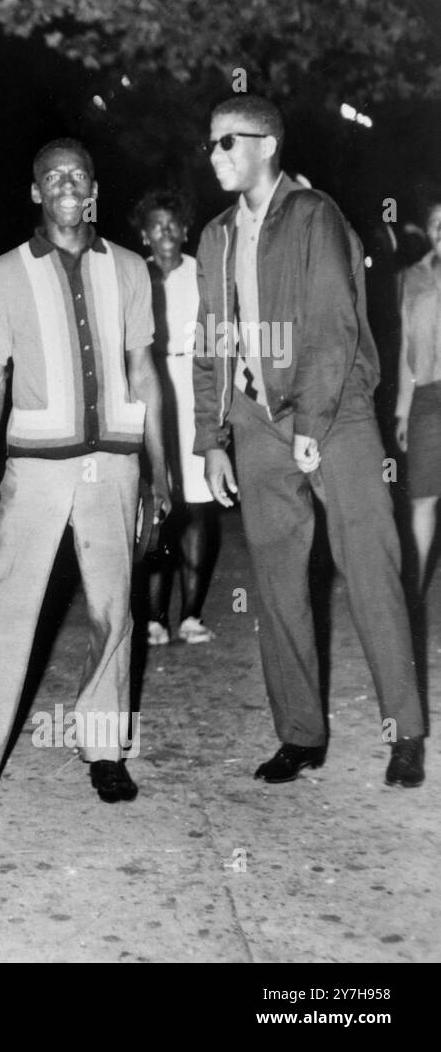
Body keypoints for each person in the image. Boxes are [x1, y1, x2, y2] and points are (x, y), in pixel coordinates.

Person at [193, 95, 425, 788]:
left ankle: (405, 731)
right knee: (276, 580)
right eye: (210, 143)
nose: (214, 154)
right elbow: (208, 340)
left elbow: (333, 325)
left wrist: (313, 425)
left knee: (372, 567)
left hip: (337, 411)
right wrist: (212, 434)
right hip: (258, 420)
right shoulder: (216, 236)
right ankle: (300, 734)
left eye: (226, 142)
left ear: (266, 145)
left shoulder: (316, 215)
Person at [0, 138, 169, 816]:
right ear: (37, 192)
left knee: (112, 610)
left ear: (93, 189)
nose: (68, 185)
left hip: (115, 464)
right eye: (54, 177)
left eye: (79, 176)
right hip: (36, 468)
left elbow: (143, 372)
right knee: (6, 612)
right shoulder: (6, 273)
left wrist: (158, 473)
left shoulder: (130, 269)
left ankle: (104, 752)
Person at [132, 190, 221, 645]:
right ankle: (151, 617)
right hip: (148, 388)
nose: (165, 233)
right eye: (156, 226)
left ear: (185, 231)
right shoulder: (133, 276)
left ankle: (190, 615)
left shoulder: (202, 273)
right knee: (155, 506)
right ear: (145, 234)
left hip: (194, 385)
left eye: (173, 225)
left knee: (199, 504)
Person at [395, 196, 441, 596]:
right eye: (436, 223)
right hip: (427, 398)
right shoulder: (412, 277)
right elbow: (406, 348)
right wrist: (403, 412)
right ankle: (416, 592)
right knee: (422, 498)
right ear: (428, 232)